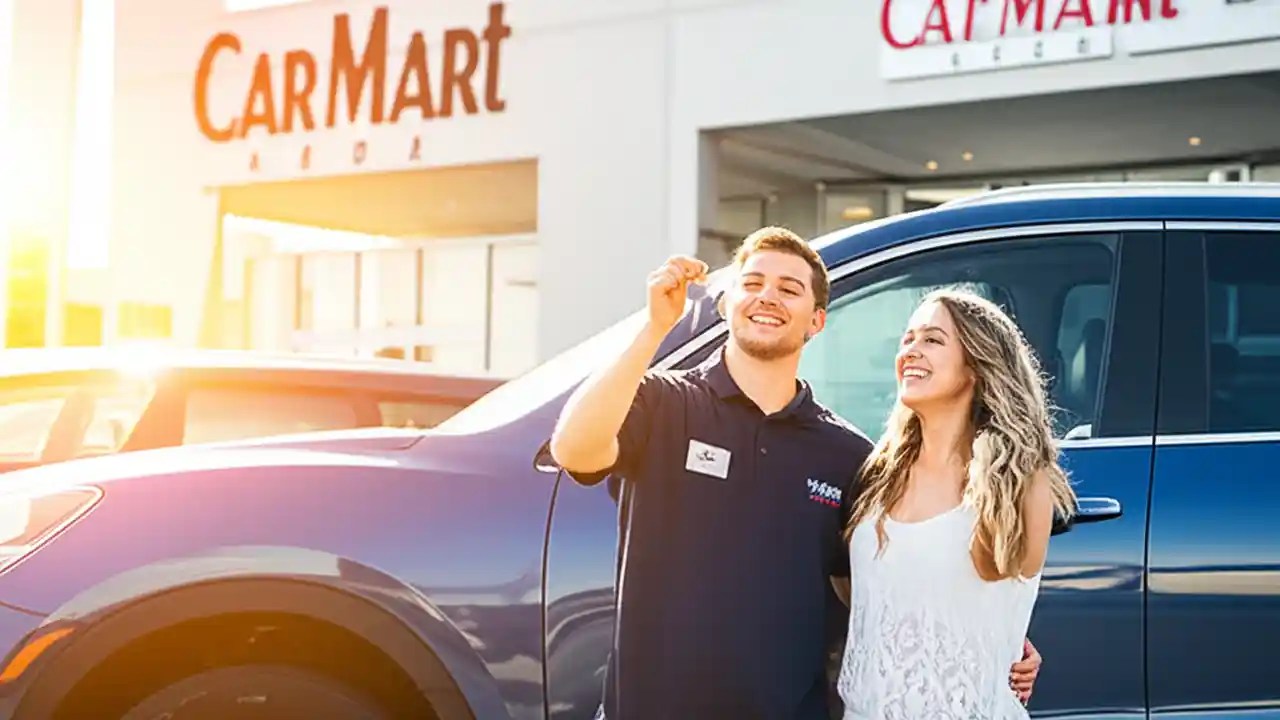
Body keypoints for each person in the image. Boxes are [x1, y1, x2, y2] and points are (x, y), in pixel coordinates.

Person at [550, 227, 1041, 720]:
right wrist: (655, 328)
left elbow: (887, 578)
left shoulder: (846, 454)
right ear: (726, 304)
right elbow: (573, 448)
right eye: (753, 283)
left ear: (817, 321)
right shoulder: (661, 403)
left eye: (789, 289)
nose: (768, 297)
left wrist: (996, 631)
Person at [836, 288, 1076, 719]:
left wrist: (1009, 646)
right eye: (907, 339)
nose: (911, 350)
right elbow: (864, 596)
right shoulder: (876, 475)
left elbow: (1005, 604)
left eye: (932, 339)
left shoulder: (1017, 481)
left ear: (976, 367)